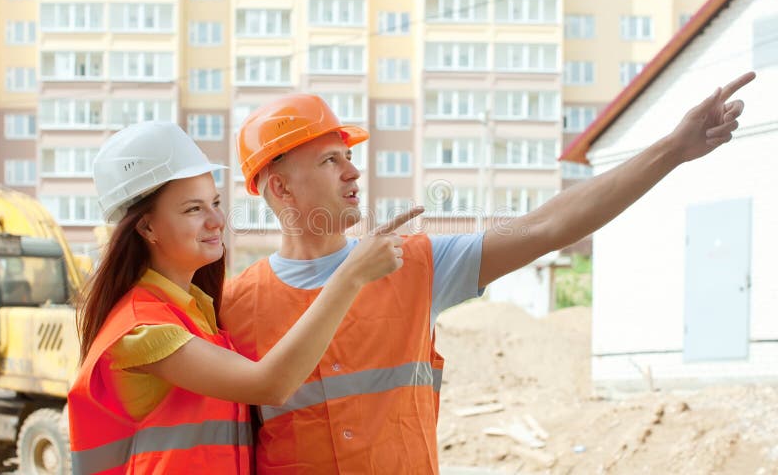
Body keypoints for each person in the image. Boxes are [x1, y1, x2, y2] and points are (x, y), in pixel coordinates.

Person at [221, 71, 756, 474]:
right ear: (280, 188)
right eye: (329, 160)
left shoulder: (413, 264)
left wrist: (670, 151)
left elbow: (547, 226)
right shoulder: (231, 307)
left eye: (347, 156)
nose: (353, 169)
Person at [67, 121, 420, 474]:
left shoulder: (197, 313)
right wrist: (351, 275)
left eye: (216, 202)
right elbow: (270, 384)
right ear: (146, 228)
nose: (217, 220)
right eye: (194, 209)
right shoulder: (142, 329)